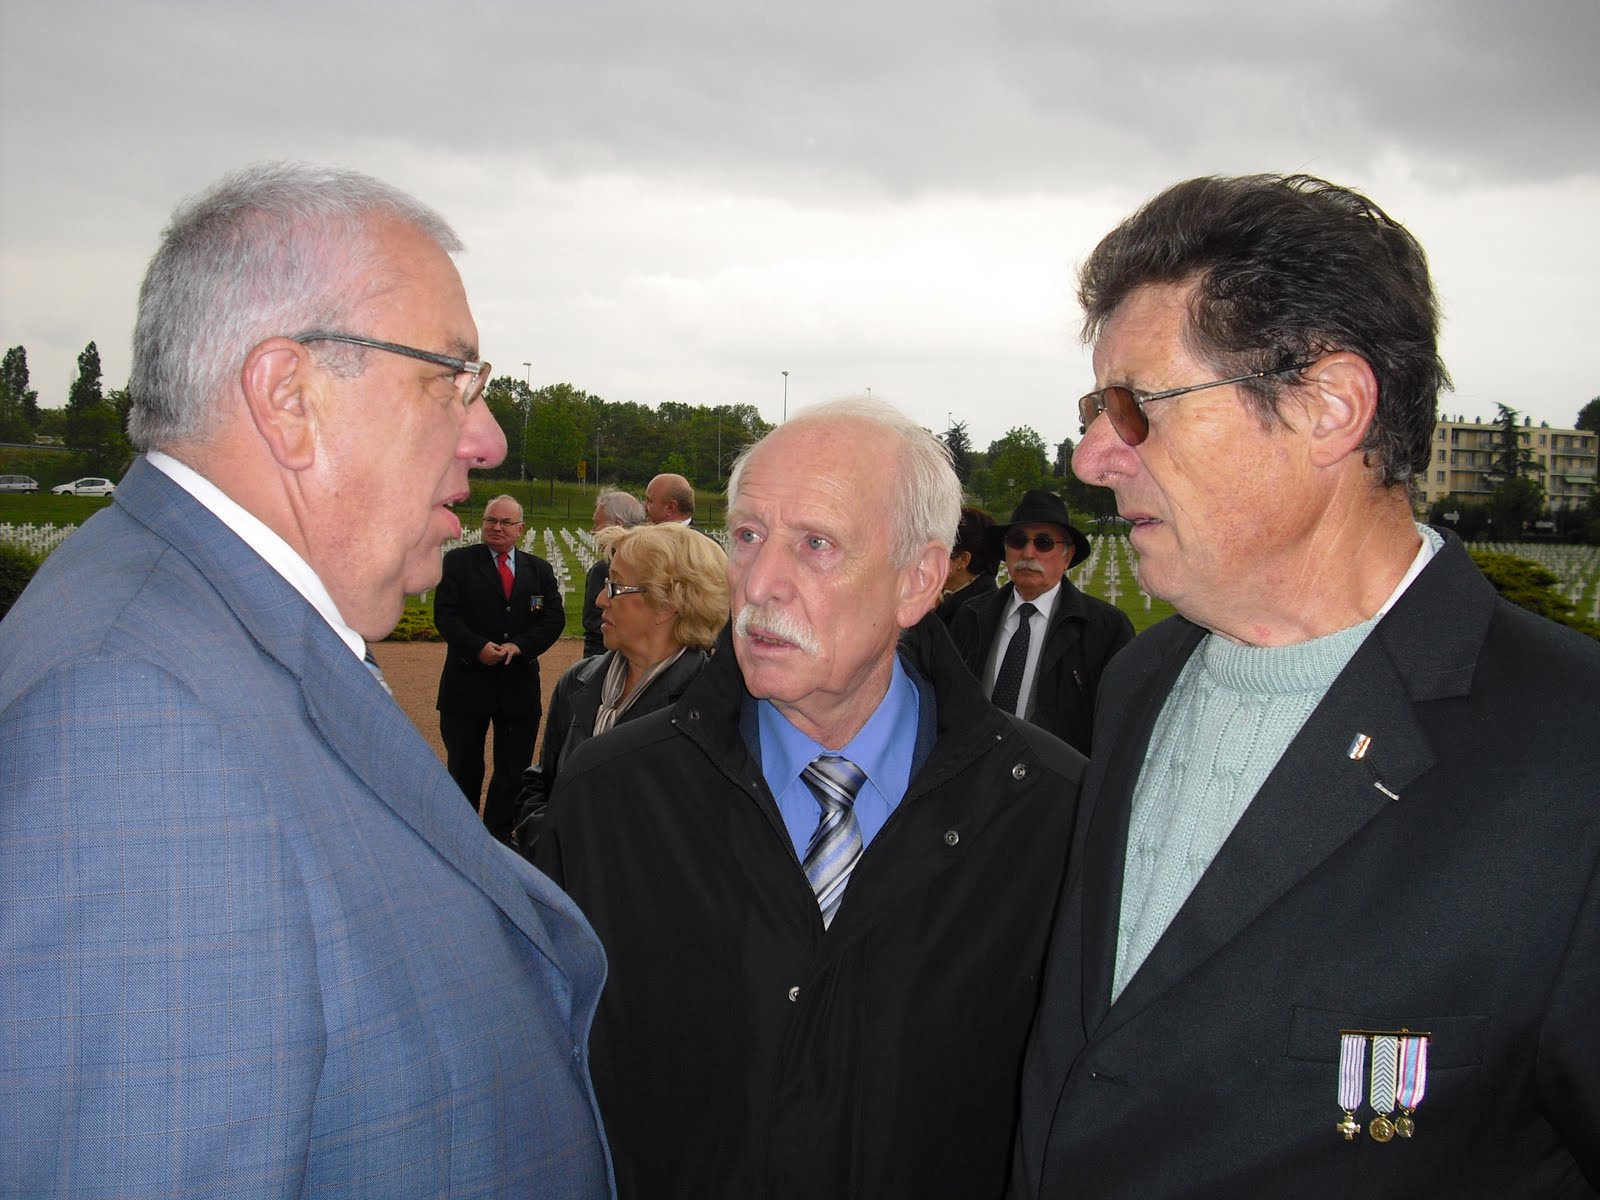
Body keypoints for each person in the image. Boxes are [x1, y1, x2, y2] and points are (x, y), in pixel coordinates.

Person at [0, 163, 612, 1197]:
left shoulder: (213, 631)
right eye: (452, 376)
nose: (490, 436)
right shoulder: (139, 726)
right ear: (288, 399)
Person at [1012, 175, 1600, 1198]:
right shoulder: (1142, 681)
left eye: (1133, 408)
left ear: (1327, 406)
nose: (1091, 455)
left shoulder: (1573, 754)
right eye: (1091, 410)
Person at [536, 397, 1083, 1200]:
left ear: (919, 581)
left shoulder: (1050, 814)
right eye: (748, 536)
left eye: (817, 544)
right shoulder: (612, 798)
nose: (761, 582)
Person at [513, 521, 727, 853]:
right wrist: (549, 847)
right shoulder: (577, 682)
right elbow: (540, 784)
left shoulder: (709, 704)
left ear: (666, 605)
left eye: (615, 586)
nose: (600, 599)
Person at [951, 489, 1133, 754]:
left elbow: (1118, 726)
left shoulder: (1105, 630)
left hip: (1057, 786)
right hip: (976, 774)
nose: (1028, 552)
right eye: (1017, 540)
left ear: (1067, 556)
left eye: (1044, 542)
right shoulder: (971, 616)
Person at [434, 494, 565, 838]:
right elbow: (446, 614)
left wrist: (519, 646)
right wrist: (478, 648)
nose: (497, 527)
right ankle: (460, 835)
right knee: (464, 765)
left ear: (520, 529)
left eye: (506, 522)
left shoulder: (539, 570)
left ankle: (497, 837)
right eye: (491, 520)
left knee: (513, 770)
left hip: (517, 685)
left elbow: (552, 619)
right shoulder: (459, 563)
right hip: (467, 683)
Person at [582, 487, 647, 657]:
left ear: (617, 525)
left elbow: (593, 626)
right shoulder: (653, 563)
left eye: (598, 523)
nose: (593, 530)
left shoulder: (604, 569)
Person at [934, 504, 1000, 625]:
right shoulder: (950, 599)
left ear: (962, 560)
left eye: (939, 551)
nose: (930, 559)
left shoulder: (973, 616)